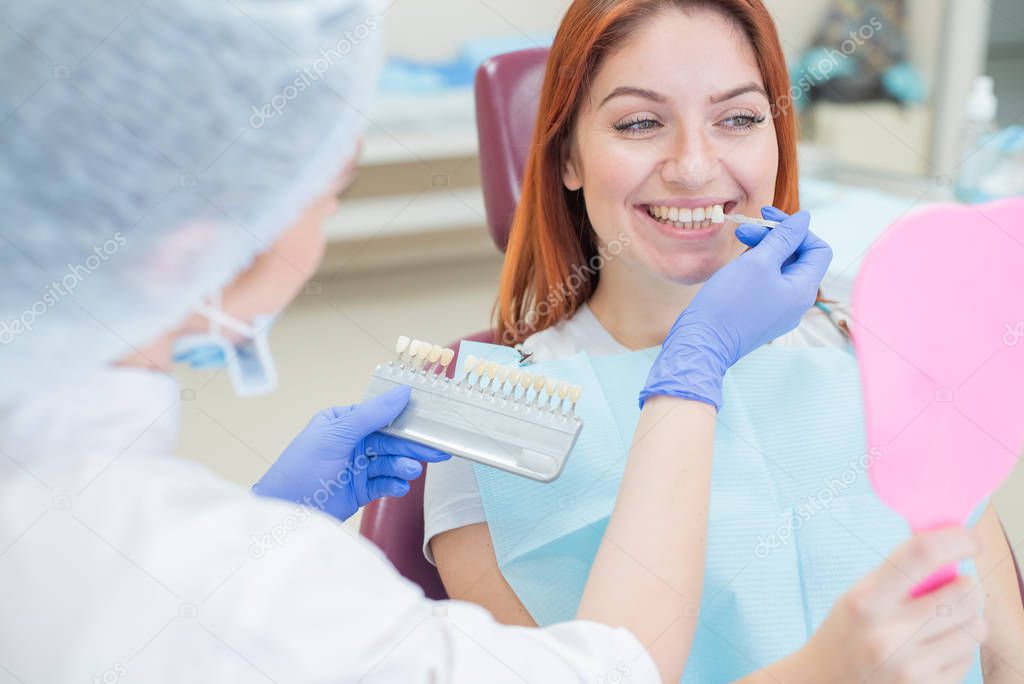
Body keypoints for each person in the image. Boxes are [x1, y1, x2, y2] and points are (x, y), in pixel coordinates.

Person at [0, 1, 854, 682]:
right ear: (191, 248)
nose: (697, 167)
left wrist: (269, 520)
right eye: (327, 187)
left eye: (740, 117)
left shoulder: (852, 350)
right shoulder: (231, 587)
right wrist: (691, 368)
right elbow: (603, 672)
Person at [424, 0, 1024, 681]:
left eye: (737, 118)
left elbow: (1007, 660)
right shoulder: (482, 415)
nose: (693, 166)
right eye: (640, 123)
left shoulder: (880, 349)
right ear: (568, 157)